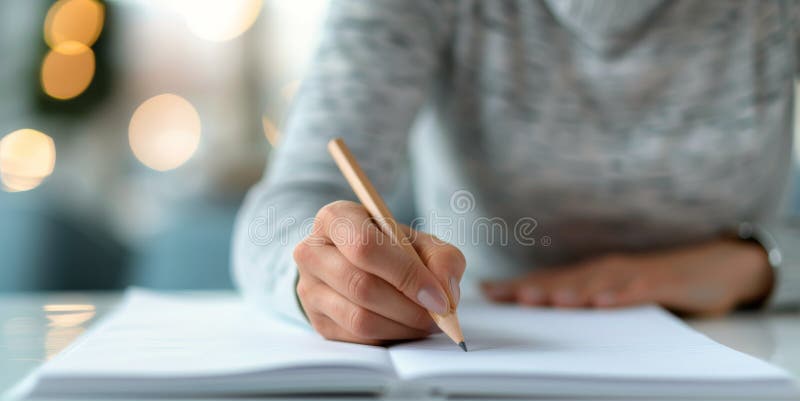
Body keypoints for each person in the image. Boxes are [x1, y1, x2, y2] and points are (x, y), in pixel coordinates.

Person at [233, 0, 800, 345]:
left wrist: (756, 265)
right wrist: (322, 276)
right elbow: (282, 209)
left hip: (748, 348)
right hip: (480, 352)